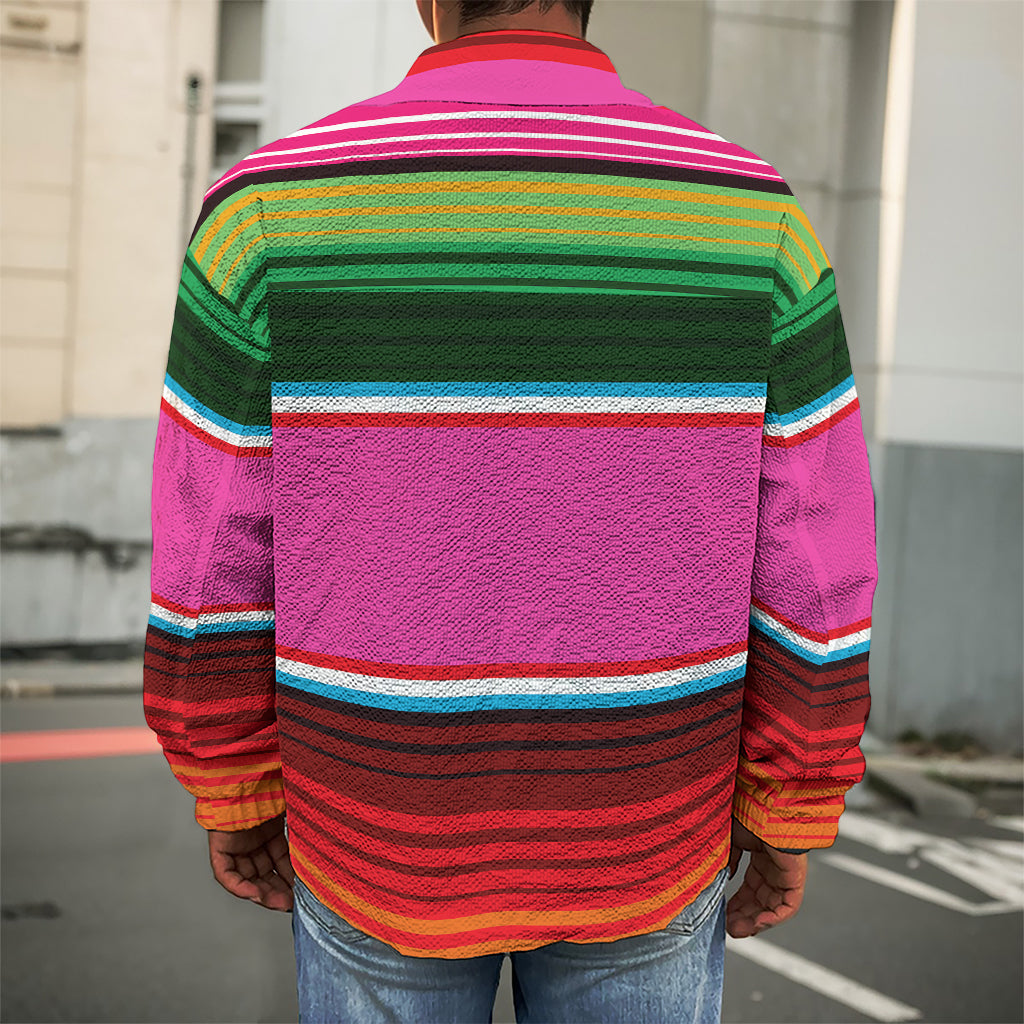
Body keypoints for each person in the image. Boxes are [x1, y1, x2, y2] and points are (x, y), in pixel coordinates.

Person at [143, 0, 877, 1020]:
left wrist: (233, 780)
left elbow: (210, 551)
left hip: (375, 819)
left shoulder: (265, 211)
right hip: (648, 820)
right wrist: (789, 798)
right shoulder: (755, 220)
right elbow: (816, 558)